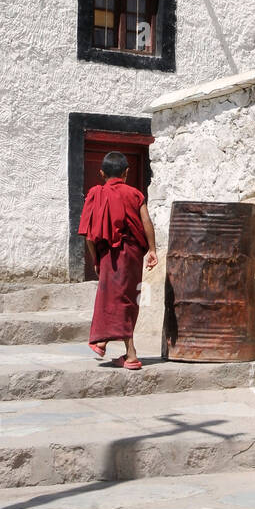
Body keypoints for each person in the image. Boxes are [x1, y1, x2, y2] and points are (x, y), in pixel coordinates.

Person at [78, 151, 158, 370]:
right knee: (126, 298)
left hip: (108, 255)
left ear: (102, 173)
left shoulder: (96, 194)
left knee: (115, 298)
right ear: (126, 172)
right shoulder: (135, 194)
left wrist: (95, 260)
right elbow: (146, 221)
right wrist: (152, 250)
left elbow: (89, 235)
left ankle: (130, 355)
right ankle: (103, 341)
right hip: (132, 254)